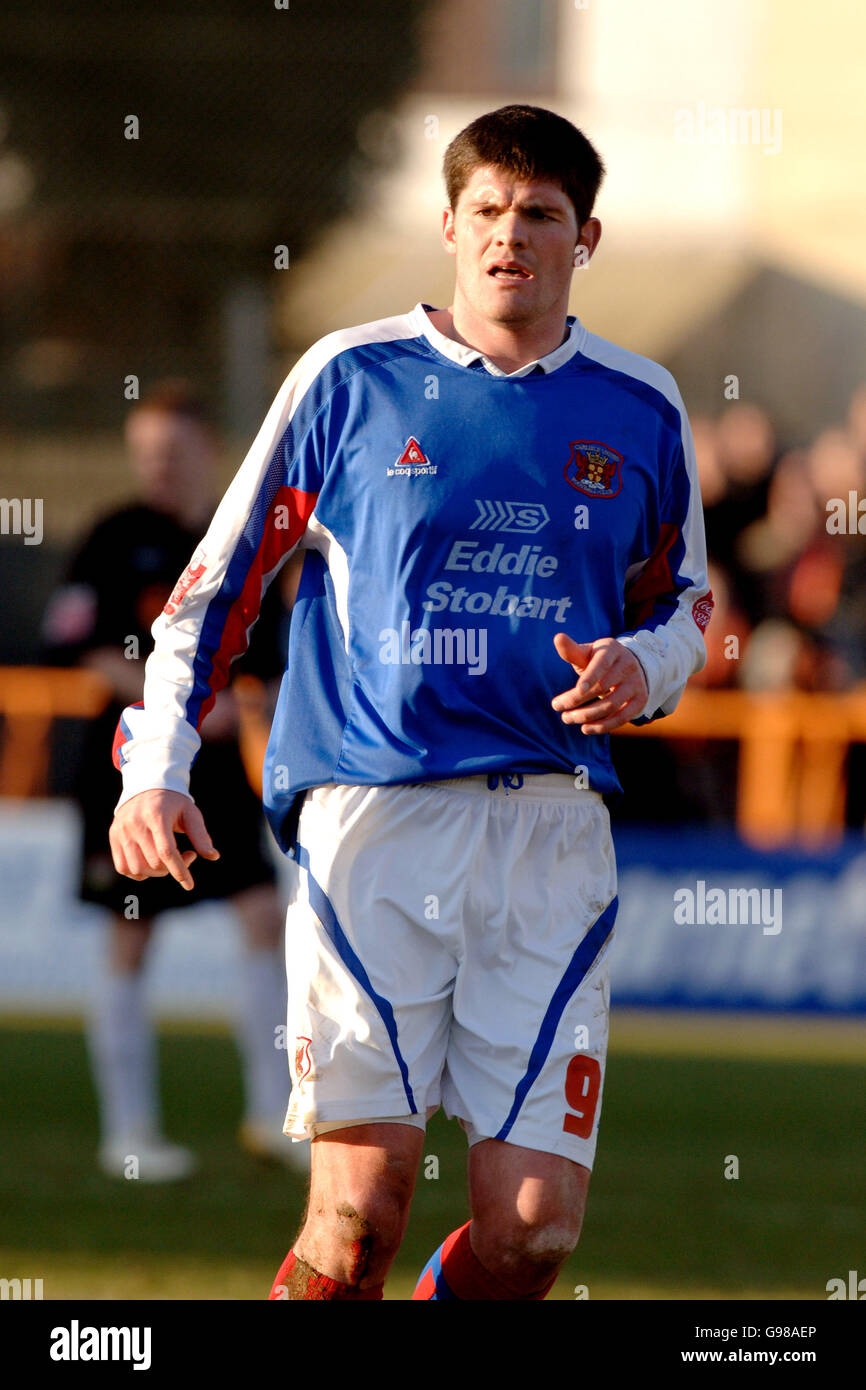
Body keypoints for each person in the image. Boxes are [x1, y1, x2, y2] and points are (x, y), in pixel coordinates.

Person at [108, 106, 712, 1296]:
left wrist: (646, 667)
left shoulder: (641, 404)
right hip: (374, 824)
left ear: (583, 236)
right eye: (486, 209)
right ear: (446, 224)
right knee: (356, 1220)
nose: (510, 236)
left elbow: (685, 603)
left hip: (550, 832)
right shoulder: (348, 378)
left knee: (532, 1234)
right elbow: (212, 591)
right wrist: (156, 764)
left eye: (540, 214)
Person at [43, 381, 305, 1180]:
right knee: (132, 932)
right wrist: (176, 698)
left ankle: (272, 1114)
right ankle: (127, 1135)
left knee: (265, 915)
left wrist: (239, 704)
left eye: (171, 450)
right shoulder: (113, 535)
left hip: (217, 769)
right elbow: (80, 648)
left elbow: (270, 660)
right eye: (145, 450)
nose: (156, 465)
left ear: (209, 451)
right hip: (130, 766)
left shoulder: (243, 535)